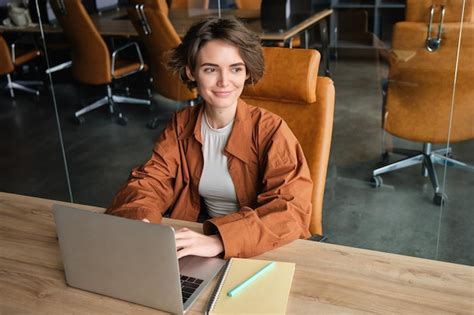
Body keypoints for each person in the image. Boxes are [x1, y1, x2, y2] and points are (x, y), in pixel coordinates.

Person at [106, 16, 313, 259]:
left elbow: (291, 209)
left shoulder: (272, 130)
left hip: (258, 246)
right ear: (191, 72)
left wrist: (219, 241)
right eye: (210, 69)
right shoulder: (181, 123)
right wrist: (140, 221)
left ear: (247, 72)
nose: (224, 81)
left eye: (235, 68)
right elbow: (151, 180)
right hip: (198, 237)